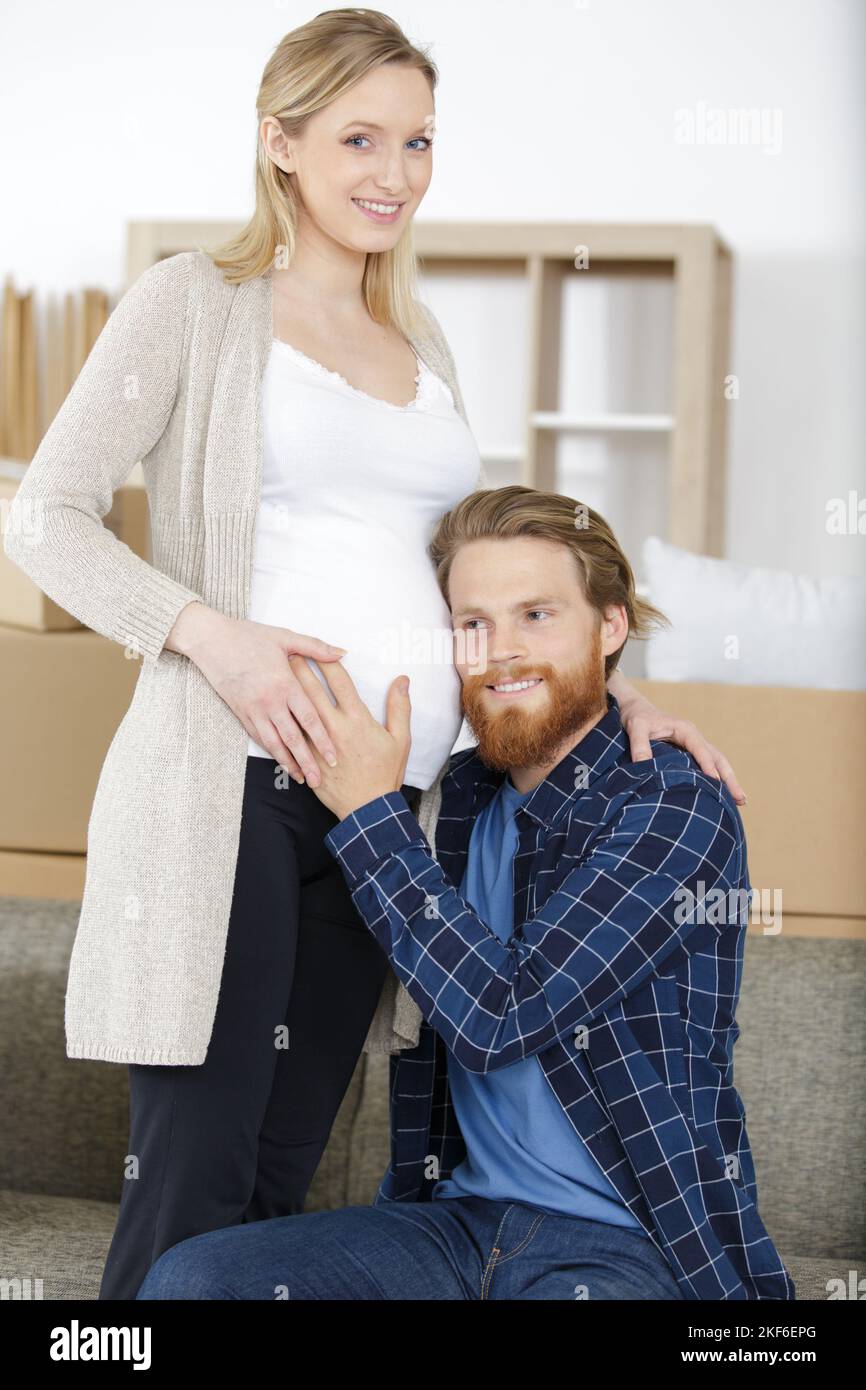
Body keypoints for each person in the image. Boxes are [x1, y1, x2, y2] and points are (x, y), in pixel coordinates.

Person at [3, 12, 744, 1303]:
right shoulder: (198, 301)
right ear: (279, 142)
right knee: (194, 1171)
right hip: (229, 781)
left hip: (380, 813)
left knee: (286, 1179)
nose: (394, 172)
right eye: (358, 138)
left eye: (416, 141)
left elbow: (483, 573)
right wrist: (211, 638)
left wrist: (604, 696)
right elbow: (42, 516)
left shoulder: (427, 348)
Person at [136, 486, 794, 1302]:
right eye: (473, 624)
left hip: (630, 1246)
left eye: (538, 616)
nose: (502, 651)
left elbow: (501, 1016)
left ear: (611, 625)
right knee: (194, 1280)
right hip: (452, 1227)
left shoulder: (671, 805)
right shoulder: (458, 797)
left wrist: (370, 813)